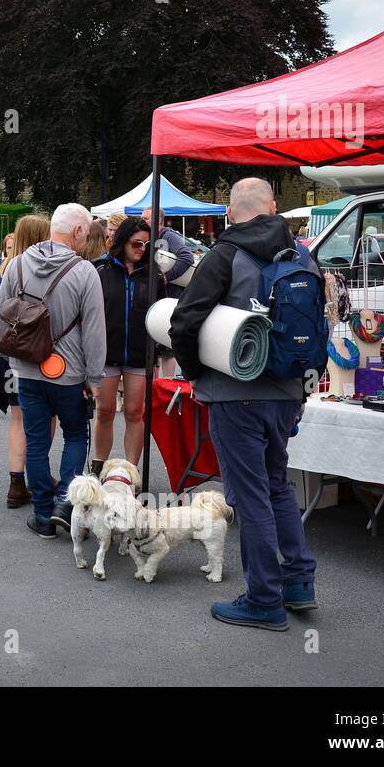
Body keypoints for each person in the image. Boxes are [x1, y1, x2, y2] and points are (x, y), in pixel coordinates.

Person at [170, 178, 321, 631]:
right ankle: (298, 583)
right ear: (273, 208)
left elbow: (184, 323)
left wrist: (196, 375)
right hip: (286, 392)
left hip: (236, 394)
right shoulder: (302, 255)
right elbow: (318, 326)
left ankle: (263, 600)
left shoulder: (225, 254)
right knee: (277, 488)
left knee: (250, 496)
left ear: (230, 212)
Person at [0, 203, 106, 537]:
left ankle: (43, 515)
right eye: (86, 233)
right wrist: (95, 377)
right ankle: (64, 503)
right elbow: (95, 331)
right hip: (69, 374)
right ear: (78, 231)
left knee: (37, 440)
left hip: (26, 371)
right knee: (75, 434)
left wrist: (14, 360)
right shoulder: (85, 272)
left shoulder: (17, 265)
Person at [0, 214, 52, 506]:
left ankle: (15, 482)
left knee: (17, 420)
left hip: (8, 352)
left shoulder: (9, 266)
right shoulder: (44, 268)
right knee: (46, 417)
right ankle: (39, 477)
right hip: (37, 352)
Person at [93, 217, 165, 473]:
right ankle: (99, 466)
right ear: (122, 241)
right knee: (105, 411)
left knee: (135, 412)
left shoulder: (154, 276)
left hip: (139, 354)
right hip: (106, 354)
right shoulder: (99, 270)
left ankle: (130, 472)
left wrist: (158, 351)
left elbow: (161, 316)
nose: (142, 249)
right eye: (137, 243)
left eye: (148, 245)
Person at [142, 207, 194, 299]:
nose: (142, 221)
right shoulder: (149, 238)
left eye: (145, 219)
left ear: (158, 220)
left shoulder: (169, 236)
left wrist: (166, 278)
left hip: (170, 296)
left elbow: (187, 256)